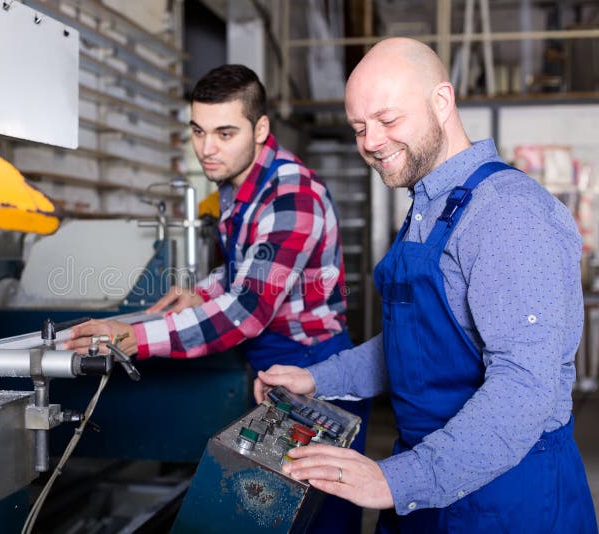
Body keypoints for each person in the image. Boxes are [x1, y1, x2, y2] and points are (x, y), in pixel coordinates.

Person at [255, 37, 598, 533]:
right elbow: (414, 345)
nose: (372, 142)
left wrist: (397, 480)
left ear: (441, 101)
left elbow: (525, 386)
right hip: (425, 484)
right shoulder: (430, 205)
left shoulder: (508, 213)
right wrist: (316, 380)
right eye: (359, 128)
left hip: (506, 500)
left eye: (388, 120)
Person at [65, 64, 371, 533]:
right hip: (274, 369)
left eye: (225, 133)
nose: (207, 148)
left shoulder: (291, 195)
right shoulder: (239, 184)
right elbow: (247, 266)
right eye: (198, 131)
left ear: (260, 128)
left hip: (316, 374)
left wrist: (136, 338)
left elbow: (247, 311)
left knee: (319, 522)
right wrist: (203, 292)